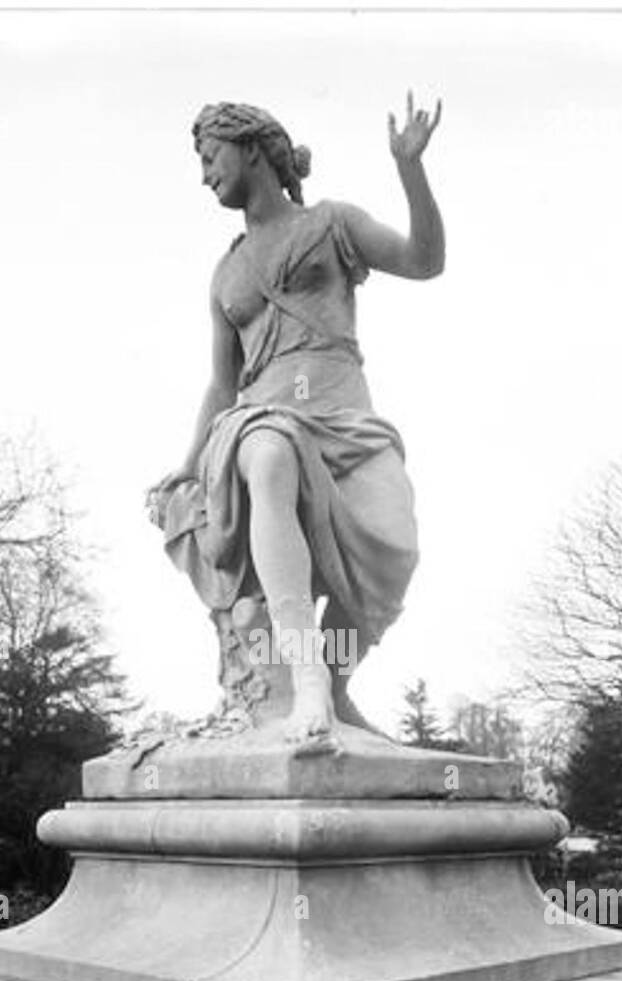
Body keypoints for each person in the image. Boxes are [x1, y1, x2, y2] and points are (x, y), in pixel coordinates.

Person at [148, 93, 443, 747]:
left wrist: (410, 171)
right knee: (270, 450)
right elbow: (223, 384)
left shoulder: (331, 223)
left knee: (394, 552)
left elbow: (424, 261)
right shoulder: (226, 271)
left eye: (209, 155)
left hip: (344, 419)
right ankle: (306, 677)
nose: (203, 174)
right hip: (258, 418)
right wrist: (189, 461)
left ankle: (335, 684)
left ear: (250, 146)